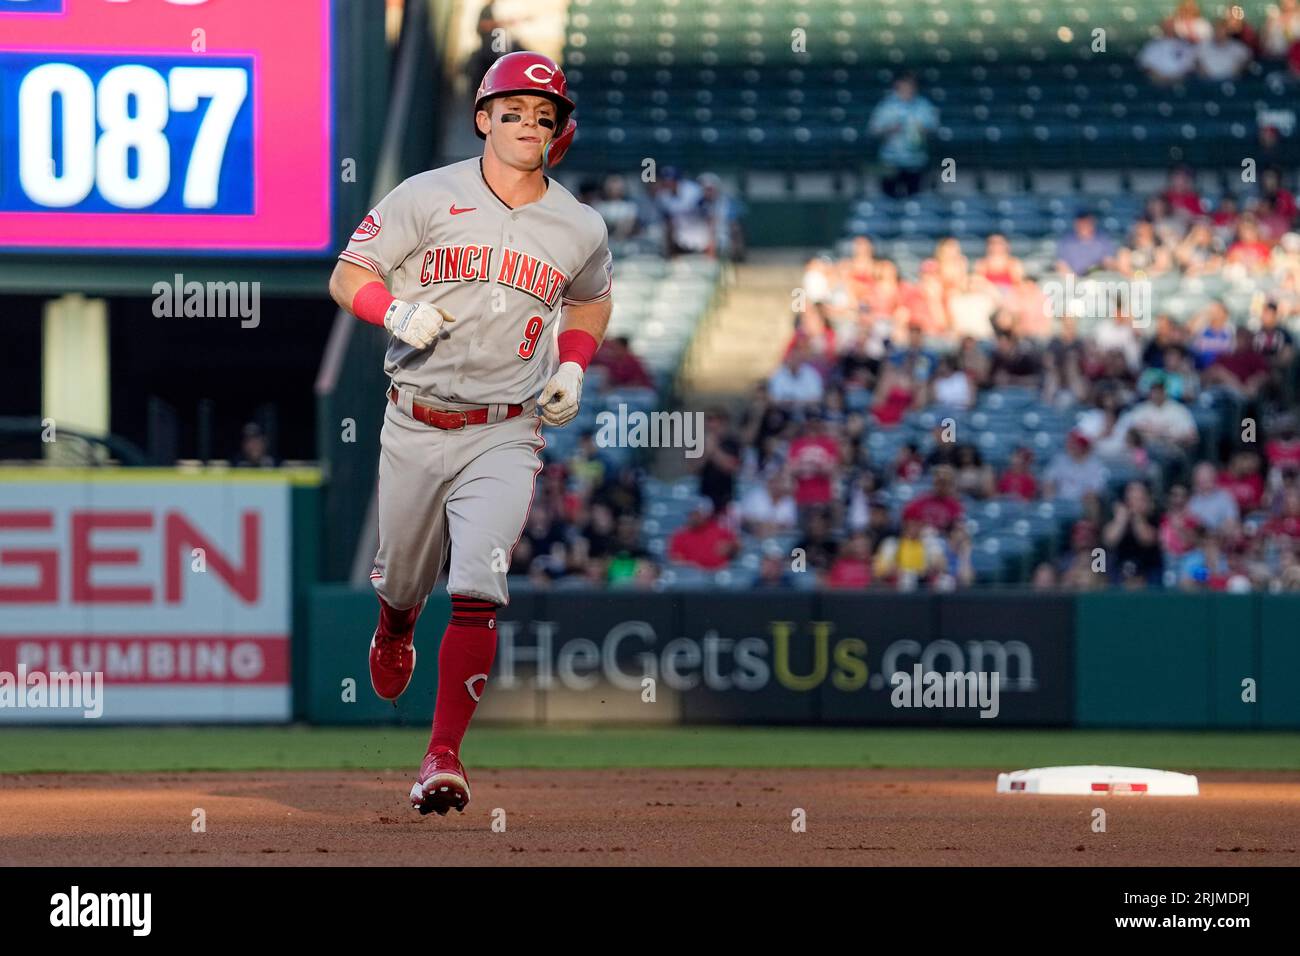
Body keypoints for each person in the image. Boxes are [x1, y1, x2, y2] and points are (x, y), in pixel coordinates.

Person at [327, 52, 613, 816]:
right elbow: (348, 273)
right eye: (512, 111)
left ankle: (442, 758)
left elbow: (591, 301)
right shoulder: (426, 194)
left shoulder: (579, 225)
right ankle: (395, 626)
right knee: (403, 582)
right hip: (415, 418)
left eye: (543, 117)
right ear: (483, 118)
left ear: (559, 133)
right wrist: (391, 310)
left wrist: (574, 365)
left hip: (505, 429)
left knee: (479, 585)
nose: (527, 125)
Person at [867, 72, 939, 198]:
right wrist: (889, 129)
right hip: (890, 161)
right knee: (888, 199)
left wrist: (923, 130)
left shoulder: (923, 105)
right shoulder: (886, 106)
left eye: (911, 86)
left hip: (916, 161)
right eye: (905, 85)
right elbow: (874, 130)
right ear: (897, 85)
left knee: (915, 198)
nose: (908, 89)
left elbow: (934, 127)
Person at [668, 497, 739, 570]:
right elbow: (677, 563)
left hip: (720, 573)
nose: (694, 517)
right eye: (692, 514)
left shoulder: (720, 528)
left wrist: (730, 548)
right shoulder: (680, 536)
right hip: (693, 575)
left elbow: (737, 547)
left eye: (698, 514)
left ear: (707, 514)